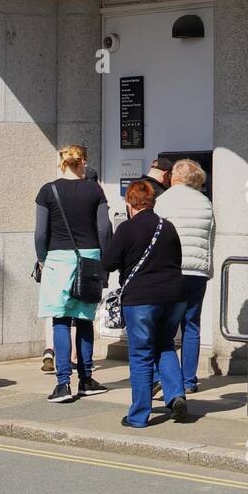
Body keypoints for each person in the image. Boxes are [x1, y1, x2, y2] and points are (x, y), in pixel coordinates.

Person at [101, 179, 189, 428]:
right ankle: (176, 396)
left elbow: (108, 262)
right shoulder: (168, 227)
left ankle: (138, 415)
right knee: (166, 345)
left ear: (130, 203)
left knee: (140, 355)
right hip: (174, 297)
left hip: (141, 299)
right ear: (151, 202)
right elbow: (177, 259)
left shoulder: (127, 229)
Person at [36, 145, 112, 403]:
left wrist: (42, 259)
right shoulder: (95, 190)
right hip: (89, 257)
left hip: (57, 258)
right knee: (84, 320)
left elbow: (41, 233)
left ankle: (63, 384)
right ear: (83, 163)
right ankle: (87, 379)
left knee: (61, 319)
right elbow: (104, 228)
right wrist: (105, 258)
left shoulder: (48, 190)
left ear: (62, 163)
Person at [155, 158, 214, 394]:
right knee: (191, 325)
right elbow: (211, 238)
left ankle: (163, 376)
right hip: (197, 271)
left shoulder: (162, 201)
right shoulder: (205, 203)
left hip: (169, 271)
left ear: (174, 177)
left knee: (164, 326)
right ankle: (189, 380)